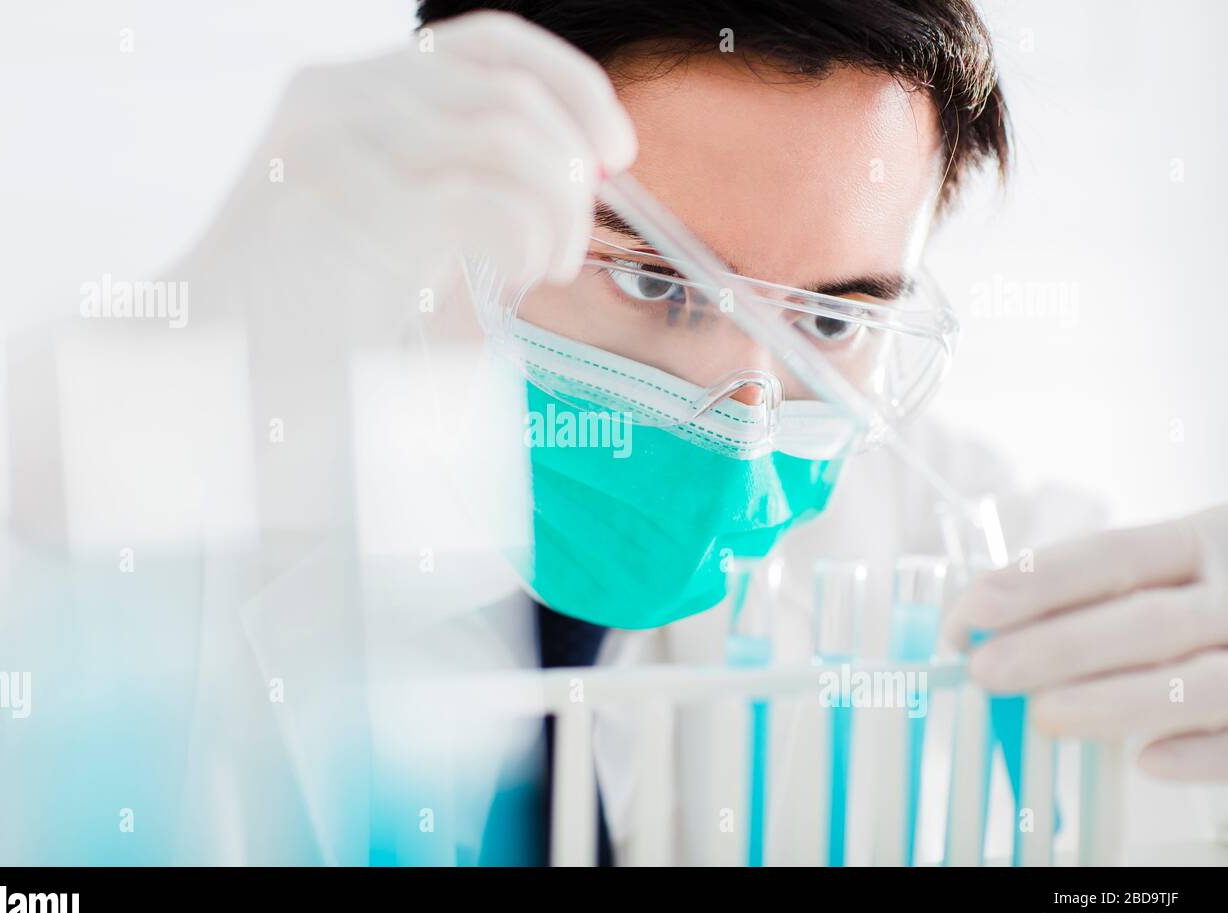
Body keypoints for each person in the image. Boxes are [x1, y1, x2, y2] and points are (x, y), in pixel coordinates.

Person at [180, 0, 1228, 863]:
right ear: (450, 218)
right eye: (650, 280)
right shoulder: (209, 534)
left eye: (827, 320)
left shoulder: (938, 548)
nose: (745, 413)